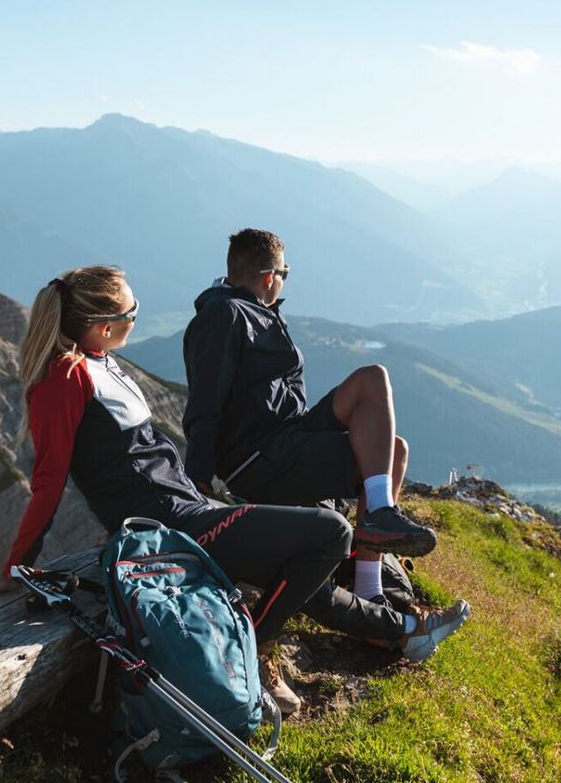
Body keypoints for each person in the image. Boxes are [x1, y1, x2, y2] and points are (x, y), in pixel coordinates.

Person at [0, 266, 468, 712]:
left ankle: (404, 632)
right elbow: (48, 479)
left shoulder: (98, 360)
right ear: (104, 325)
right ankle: (254, 644)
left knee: (293, 564)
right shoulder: (64, 379)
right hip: (173, 524)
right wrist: (17, 566)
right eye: (132, 312)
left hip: (185, 508)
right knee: (330, 532)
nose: (135, 320)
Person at [182, 228, 439, 612]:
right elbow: (205, 400)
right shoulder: (224, 314)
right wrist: (197, 483)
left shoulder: (254, 310)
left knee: (374, 386)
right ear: (269, 276)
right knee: (393, 454)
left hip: (288, 433)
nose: (284, 282)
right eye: (285, 273)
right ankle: (369, 589)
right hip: (259, 456)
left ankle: (379, 519)